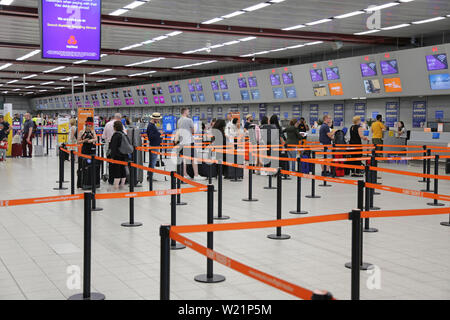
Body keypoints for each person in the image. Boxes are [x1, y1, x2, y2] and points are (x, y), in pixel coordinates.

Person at [177, 107, 206, 181]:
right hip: (189, 141)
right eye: (188, 111)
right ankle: (196, 175)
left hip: (182, 142)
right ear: (185, 112)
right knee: (194, 158)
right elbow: (193, 131)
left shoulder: (179, 121)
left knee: (184, 159)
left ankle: (185, 174)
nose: (189, 112)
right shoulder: (189, 120)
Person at [109, 121, 128, 190]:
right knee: (123, 170)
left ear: (115, 127)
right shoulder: (124, 134)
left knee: (116, 170)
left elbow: (113, 147)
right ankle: (122, 185)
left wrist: (112, 157)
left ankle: (116, 186)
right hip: (124, 155)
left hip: (117, 156)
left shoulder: (115, 135)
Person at [146, 112, 162, 181]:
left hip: (154, 145)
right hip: (154, 145)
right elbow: (151, 136)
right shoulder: (151, 126)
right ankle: (150, 176)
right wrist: (159, 134)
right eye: (157, 119)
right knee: (153, 161)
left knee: (152, 161)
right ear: (154, 119)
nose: (158, 120)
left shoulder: (152, 125)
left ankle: (150, 175)